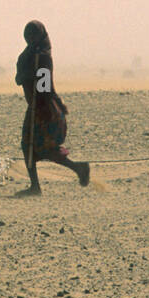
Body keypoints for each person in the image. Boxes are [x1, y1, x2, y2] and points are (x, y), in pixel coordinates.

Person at [15, 20, 89, 196]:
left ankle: (38, 185)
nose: (30, 38)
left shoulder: (43, 56)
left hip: (44, 108)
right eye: (28, 35)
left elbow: (44, 86)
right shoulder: (29, 54)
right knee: (29, 146)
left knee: (42, 147)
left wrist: (40, 106)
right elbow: (19, 78)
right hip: (35, 106)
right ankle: (75, 169)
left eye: (34, 35)